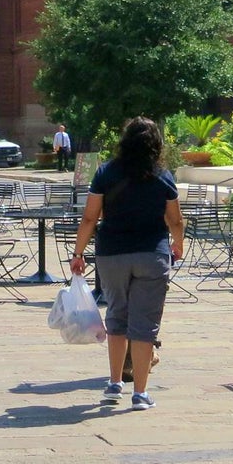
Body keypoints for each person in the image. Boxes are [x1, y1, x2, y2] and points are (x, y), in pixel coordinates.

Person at [69, 117, 184, 411]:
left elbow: (90, 218)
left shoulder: (106, 173)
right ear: (156, 144)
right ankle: (141, 393)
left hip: (112, 254)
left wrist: (78, 253)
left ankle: (115, 382)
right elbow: (175, 220)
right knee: (144, 326)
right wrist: (177, 244)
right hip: (151, 254)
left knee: (117, 317)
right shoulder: (163, 176)